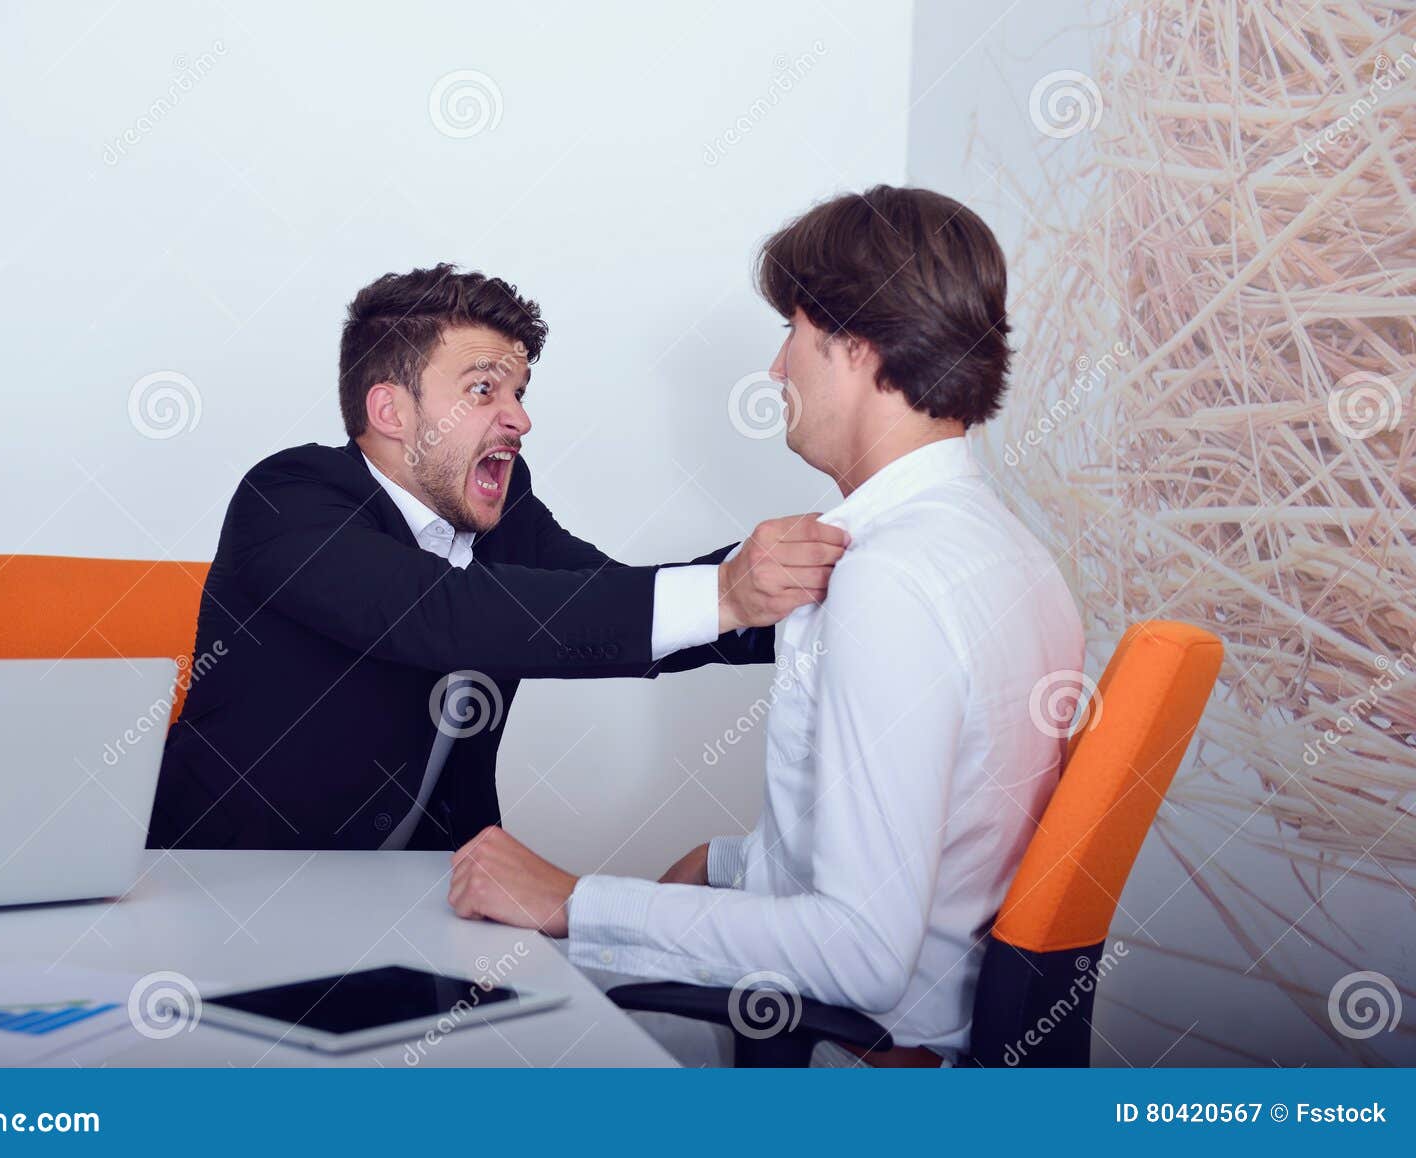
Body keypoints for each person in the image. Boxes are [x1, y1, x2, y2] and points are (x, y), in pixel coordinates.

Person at [445, 185, 1086, 1066]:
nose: (778, 369)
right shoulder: (1011, 555)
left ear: (855, 344)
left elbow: (861, 952)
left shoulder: (889, 581)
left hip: (865, 1055)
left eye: (792, 332)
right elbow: (937, 847)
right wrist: (733, 864)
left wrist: (571, 899)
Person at [148, 264, 847, 852]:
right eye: (484, 389)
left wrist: (826, 585)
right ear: (390, 412)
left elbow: (616, 605)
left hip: (428, 899)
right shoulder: (289, 498)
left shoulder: (503, 513)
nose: (520, 418)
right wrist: (727, 591)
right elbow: (439, 615)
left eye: (518, 392)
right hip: (216, 888)